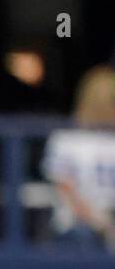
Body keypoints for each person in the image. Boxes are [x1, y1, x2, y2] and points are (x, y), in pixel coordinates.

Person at [43, 64, 115, 251]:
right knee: (84, 236)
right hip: (78, 228)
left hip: (110, 222)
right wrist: (101, 224)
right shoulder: (66, 140)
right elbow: (66, 191)